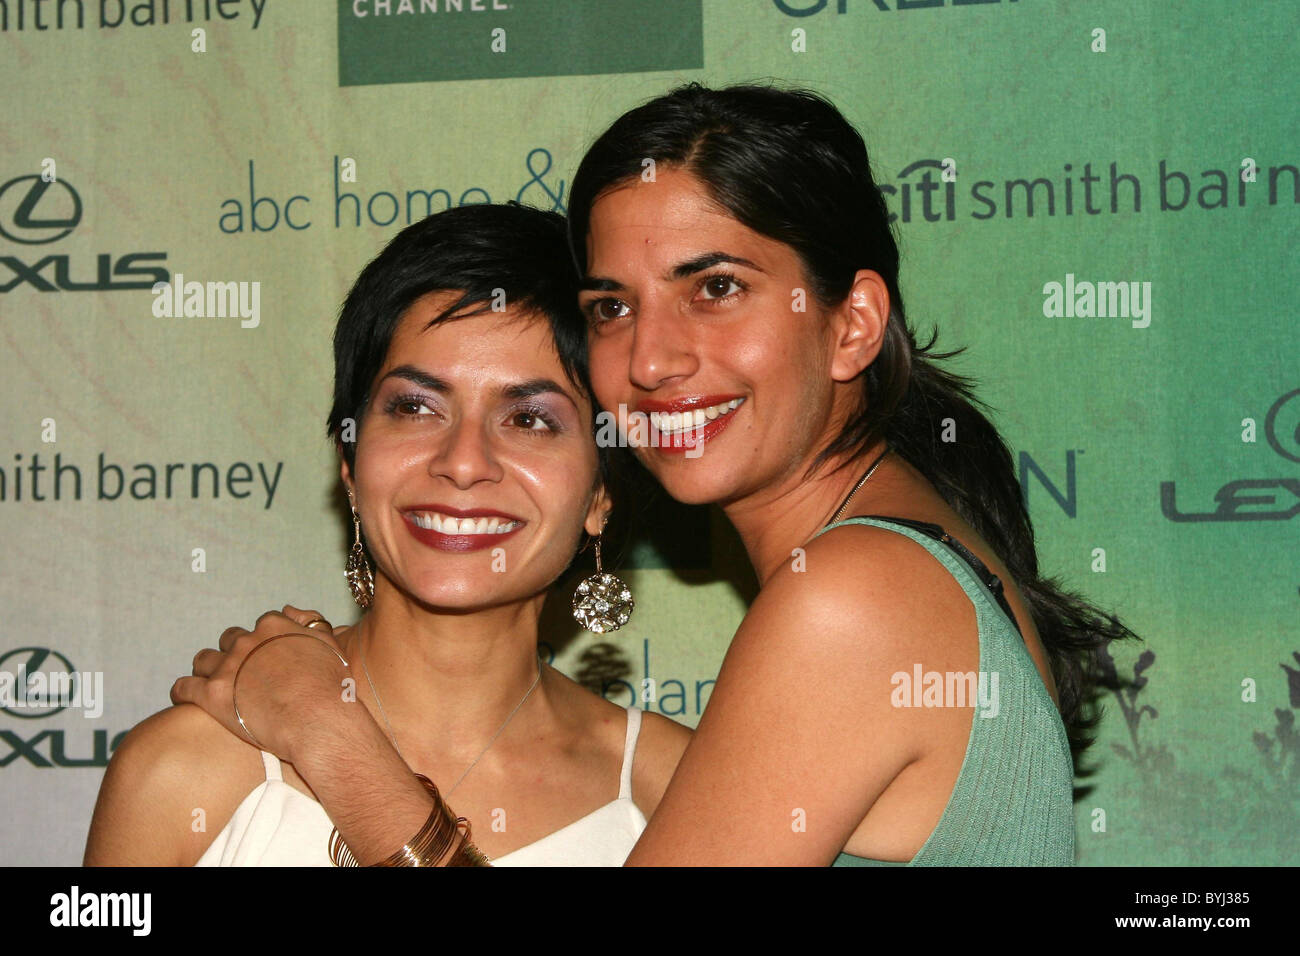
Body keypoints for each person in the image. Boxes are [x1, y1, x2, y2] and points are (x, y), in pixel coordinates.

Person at [170, 83, 1138, 866]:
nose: (651, 359)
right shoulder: (912, 557)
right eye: (610, 307)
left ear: (852, 322)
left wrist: (328, 737)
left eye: (715, 288)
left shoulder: (853, 599)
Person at [82, 203, 690, 867]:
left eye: (530, 420)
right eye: (414, 407)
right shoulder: (183, 773)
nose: (461, 462)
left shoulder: (675, 791)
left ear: (602, 492)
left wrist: (329, 732)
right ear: (348, 462)